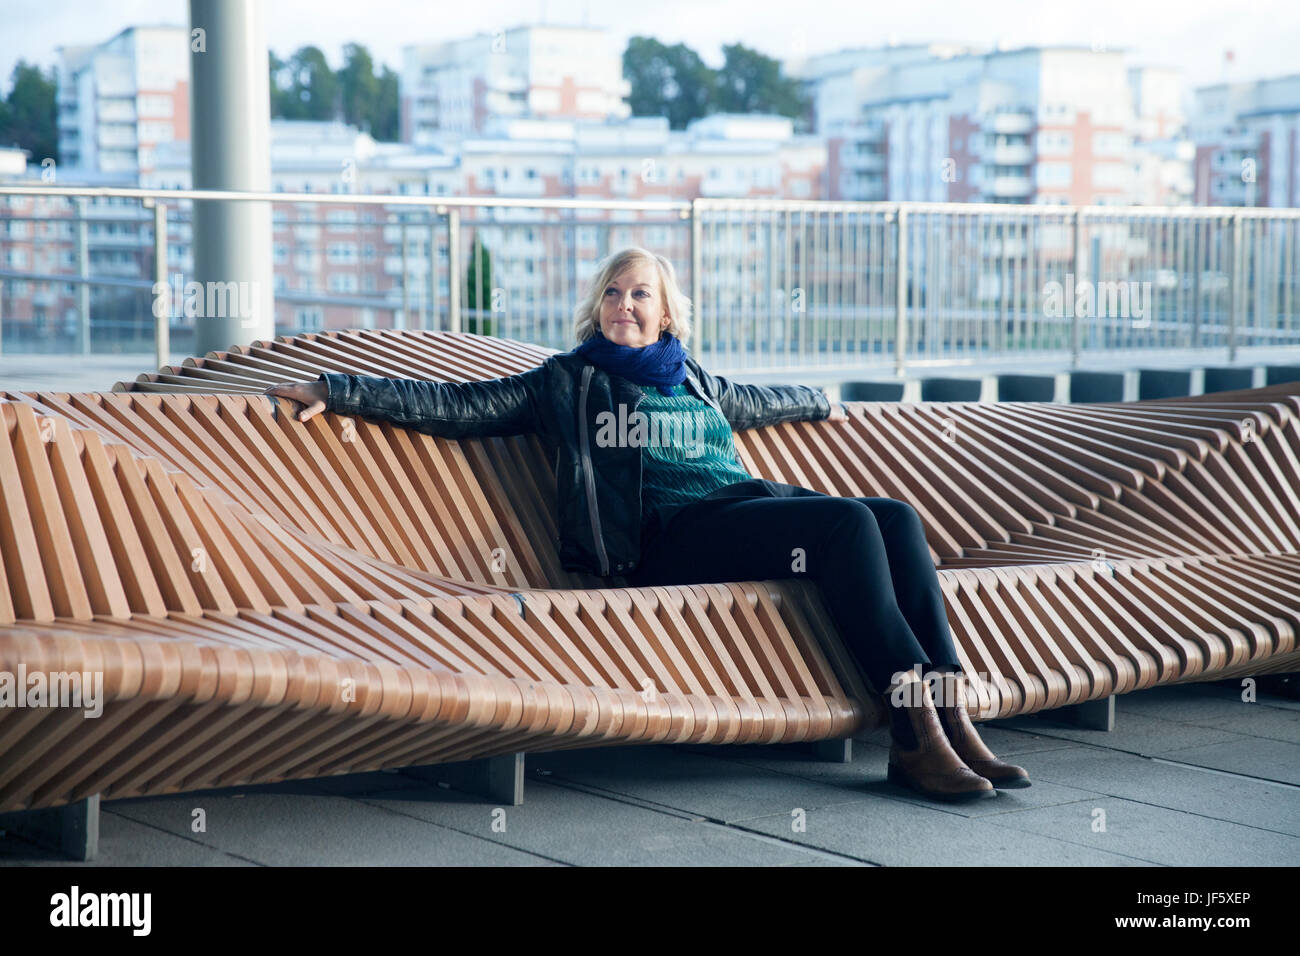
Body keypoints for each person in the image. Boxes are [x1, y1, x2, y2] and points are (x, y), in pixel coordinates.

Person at [265, 246, 1030, 803]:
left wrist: (820, 400)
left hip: (741, 509)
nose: (624, 306)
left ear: (666, 313)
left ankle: (948, 716)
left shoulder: (688, 375)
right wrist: (338, 387)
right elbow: (461, 408)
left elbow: (755, 401)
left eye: (639, 296)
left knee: (892, 515)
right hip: (669, 539)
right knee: (847, 529)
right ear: (597, 306)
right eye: (612, 294)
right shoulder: (567, 382)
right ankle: (909, 732)